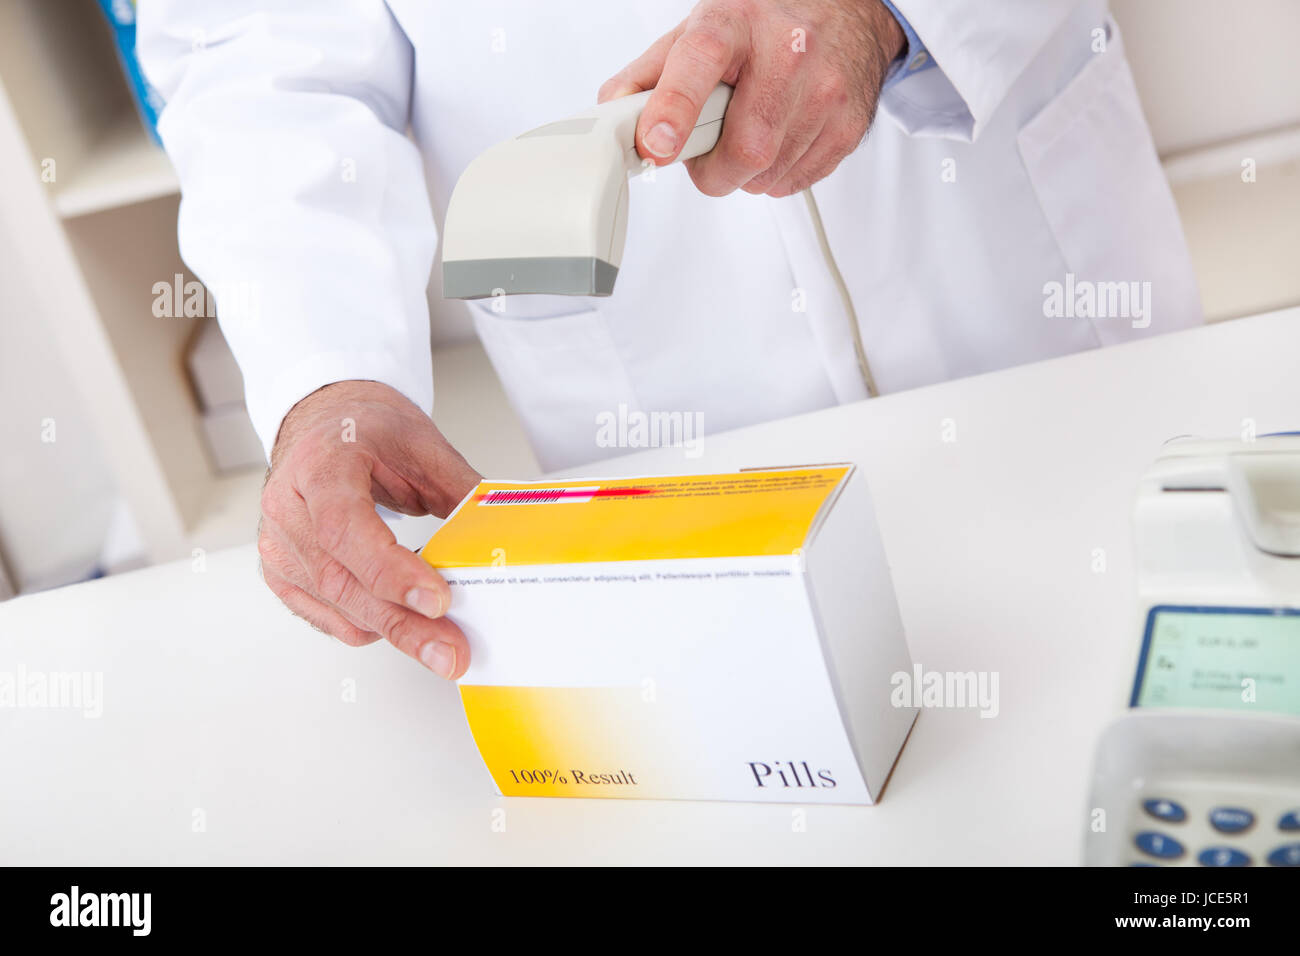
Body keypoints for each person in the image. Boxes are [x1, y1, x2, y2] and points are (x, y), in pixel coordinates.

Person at [138, 0, 1202, 680]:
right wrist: (325, 371)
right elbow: (258, 64)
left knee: (1161, 684)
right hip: (672, 423)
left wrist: (884, 15)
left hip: (1029, 303)